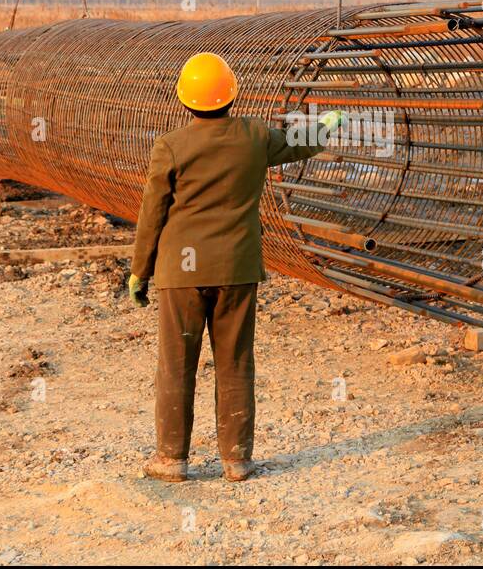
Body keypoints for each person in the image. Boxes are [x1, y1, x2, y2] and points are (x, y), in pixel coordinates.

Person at [128, 52, 344, 482]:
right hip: (237, 269)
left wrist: (141, 270)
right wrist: (325, 126)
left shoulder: (170, 146)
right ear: (232, 94)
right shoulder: (254, 136)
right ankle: (237, 461)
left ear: (183, 100)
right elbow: (300, 142)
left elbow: (152, 213)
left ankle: (171, 460)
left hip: (181, 274)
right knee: (235, 361)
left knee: (177, 364)